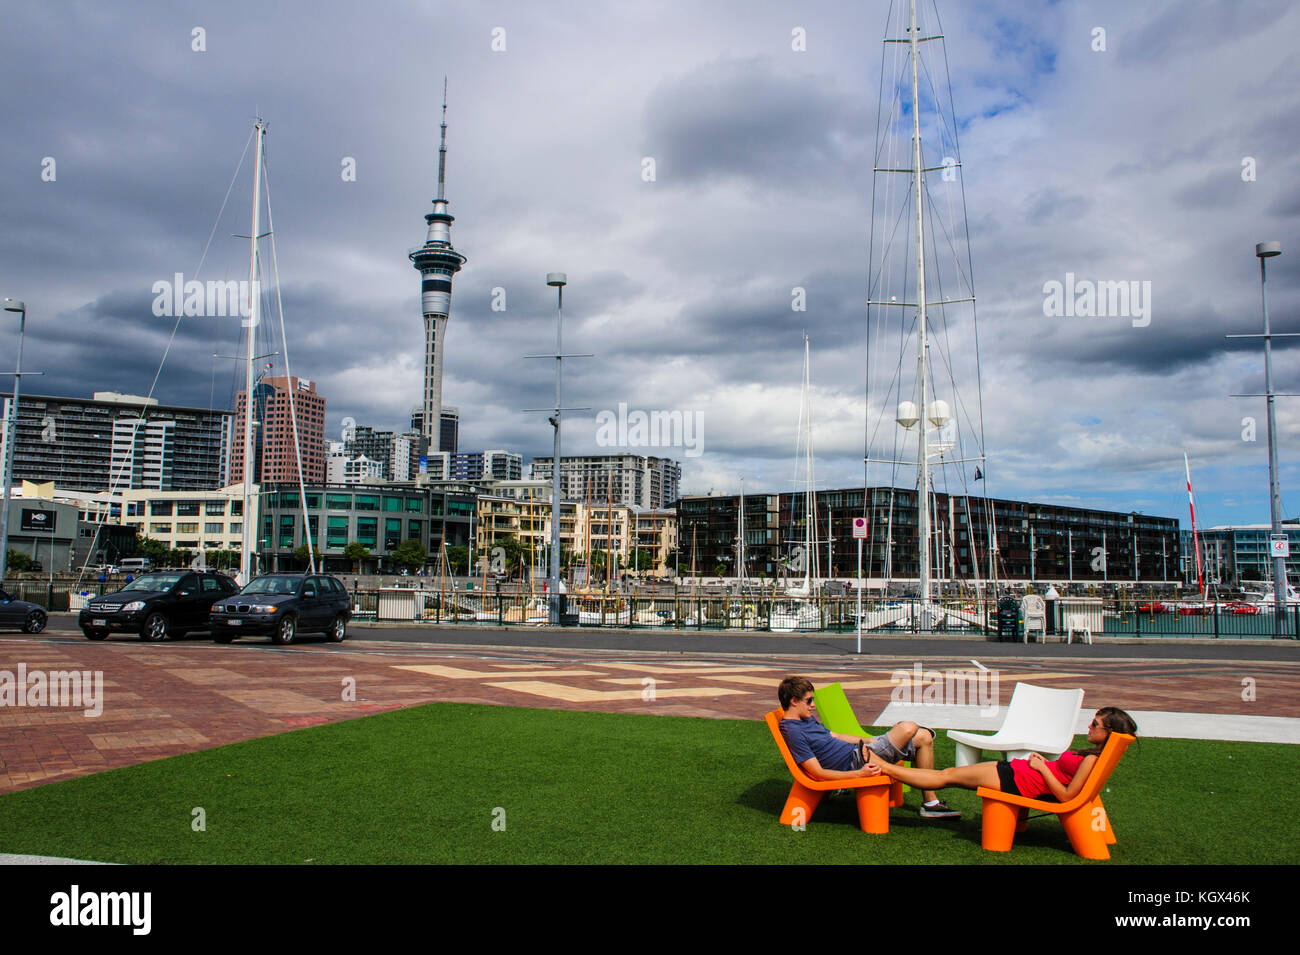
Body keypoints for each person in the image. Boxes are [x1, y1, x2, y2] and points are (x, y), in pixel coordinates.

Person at [778, 676, 961, 819]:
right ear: (794, 701)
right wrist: (859, 774)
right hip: (857, 761)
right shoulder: (793, 731)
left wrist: (871, 741)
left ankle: (930, 804)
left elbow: (836, 736)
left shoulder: (805, 719)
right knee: (908, 727)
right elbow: (817, 772)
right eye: (809, 701)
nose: (813, 705)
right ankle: (904, 730)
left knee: (924, 737)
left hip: (861, 750)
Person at [865, 706, 1138, 802]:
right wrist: (1045, 764)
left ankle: (885, 768)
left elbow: (1067, 796)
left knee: (945, 776)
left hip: (1018, 781)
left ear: (1109, 733)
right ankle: (887, 768)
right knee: (945, 775)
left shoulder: (1091, 759)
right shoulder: (1091, 756)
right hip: (1018, 773)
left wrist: (1043, 769)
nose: (1089, 726)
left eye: (1095, 725)